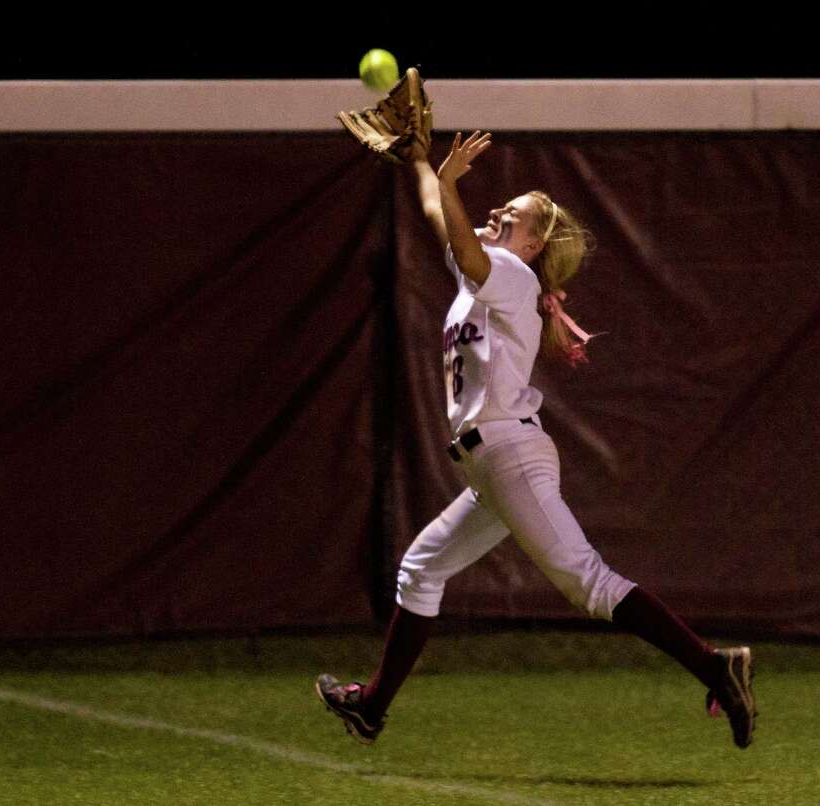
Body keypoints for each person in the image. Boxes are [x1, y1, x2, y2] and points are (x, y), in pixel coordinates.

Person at [316, 131, 756, 749]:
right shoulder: (487, 276)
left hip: (509, 455)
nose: (497, 213)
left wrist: (446, 180)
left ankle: (716, 666)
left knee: (589, 582)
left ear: (533, 244)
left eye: (512, 214)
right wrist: (419, 159)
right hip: (489, 467)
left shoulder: (511, 274)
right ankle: (371, 707)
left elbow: (462, 236)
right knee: (420, 570)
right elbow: (439, 217)